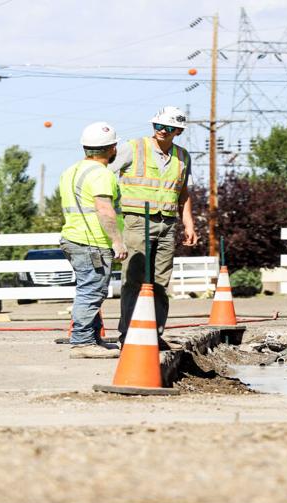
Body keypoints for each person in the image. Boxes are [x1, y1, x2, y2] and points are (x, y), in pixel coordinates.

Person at [110, 105, 197, 347]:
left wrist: (189, 224)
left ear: (178, 131)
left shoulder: (183, 156)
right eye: (158, 125)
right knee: (133, 279)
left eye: (168, 128)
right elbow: (105, 174)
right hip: (137, 221)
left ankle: (154, 334)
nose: (162, 131)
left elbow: (184, 193)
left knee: (160, 282)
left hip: (168, 223)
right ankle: (128, 334)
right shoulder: (133, 148)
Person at [58, 122, 128, 359]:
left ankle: (93, 338)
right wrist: (117, 241)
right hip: (92, 241)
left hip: (73, 237)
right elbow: (104, 209)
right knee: (91, 292)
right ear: (112, 148)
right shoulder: (101, 174)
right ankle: (82, 342)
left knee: (91, 290)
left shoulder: (71, 171)